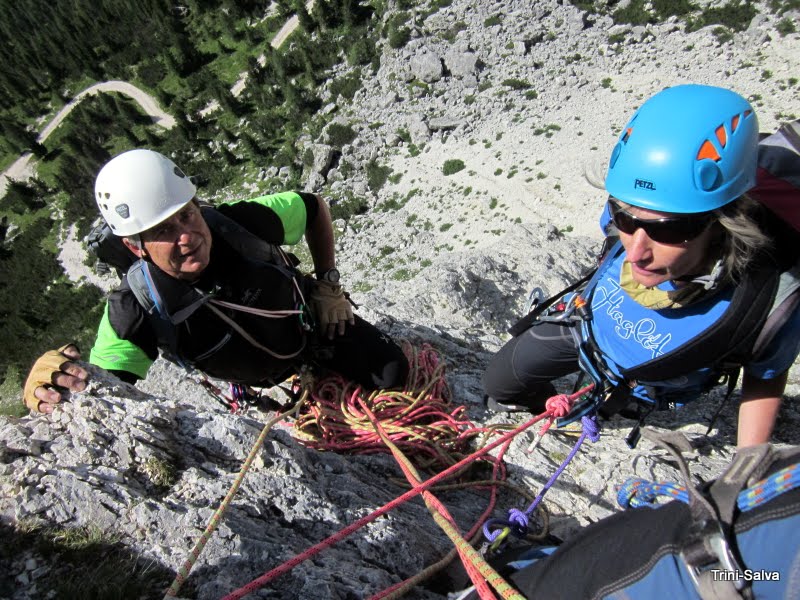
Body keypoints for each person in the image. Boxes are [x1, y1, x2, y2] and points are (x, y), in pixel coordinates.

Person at [483, 84, 800, 447]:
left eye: (670, 230)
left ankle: (627, 401)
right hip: (587, 328)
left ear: (721, 223)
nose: (635, 253)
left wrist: (747, 464)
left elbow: (765, 375)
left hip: (657, 376)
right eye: (625, 218)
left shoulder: (772, 299)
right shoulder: (633, 210)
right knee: (499, 384)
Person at [23, 149, 409, 413]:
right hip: (268, 381)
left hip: (316, 324)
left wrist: (328, 285)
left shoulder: (238, 224)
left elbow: (313, 207)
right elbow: (103, 385)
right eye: (163, 231)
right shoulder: (136, 305)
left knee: (395, 373)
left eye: (187, 216)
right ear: (135, 246)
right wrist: (51, 383)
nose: (187, 236)